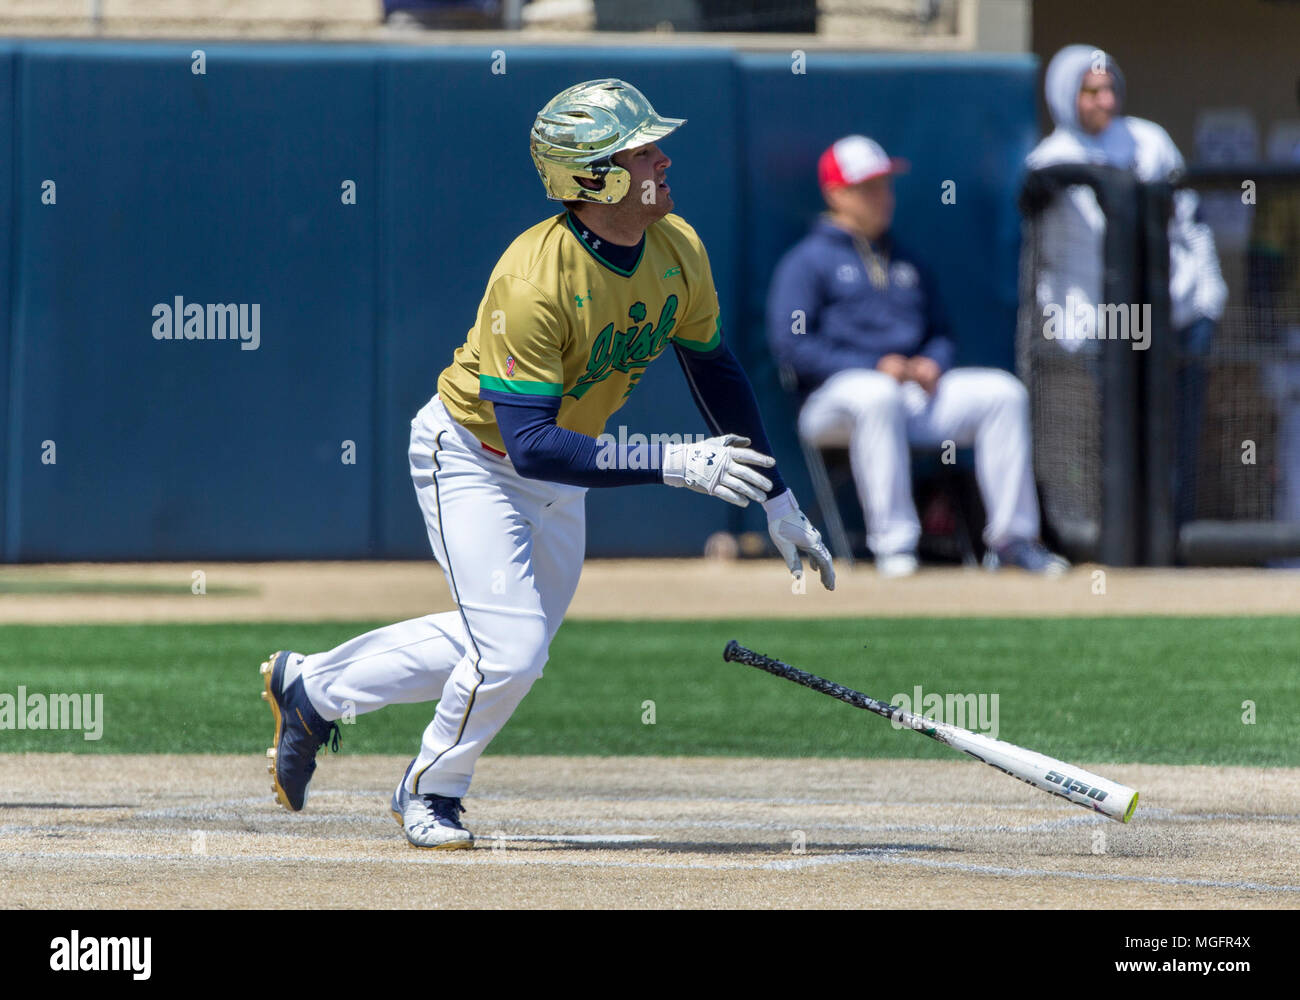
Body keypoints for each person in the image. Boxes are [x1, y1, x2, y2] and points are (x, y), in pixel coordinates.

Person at [260, 79, 834, 849]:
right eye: (642, 152)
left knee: (507, 648)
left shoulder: (676, 246)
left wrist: (779, 498)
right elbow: (529, 442)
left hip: (570, 465)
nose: (664, 159)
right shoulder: (534, 280)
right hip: (474, 458)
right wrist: (670, 462)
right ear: (593, 178)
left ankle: (314, 688)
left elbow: (714, 369)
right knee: (512, 650)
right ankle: (430, 790)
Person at [767, 134, 1068, 579]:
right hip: (834, 401)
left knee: (1002, 393)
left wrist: (933, 362)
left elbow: (942, 333)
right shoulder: (807, 261)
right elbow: (791, 345)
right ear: (836, 193)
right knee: (876, 394)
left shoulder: (906, 259)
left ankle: (1013, 540)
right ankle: (895, 546)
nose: (882, 197)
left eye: (885, 185)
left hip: (909, 395)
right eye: (868, 187)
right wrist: (871, 365)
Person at [1025, 44, 1227, 525]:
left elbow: (1191, 222)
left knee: (1176, 440)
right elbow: (1050, 260)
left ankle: (1170, 545)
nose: (1105, 101)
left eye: (1110, 88)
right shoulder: (1049, 159)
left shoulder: (1148, 140)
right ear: (1064, 95)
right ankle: (1109, 548)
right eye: (1091, 91)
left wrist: (1209, 296)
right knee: (1111, 444)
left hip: (1175, 315)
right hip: (1099, 327)